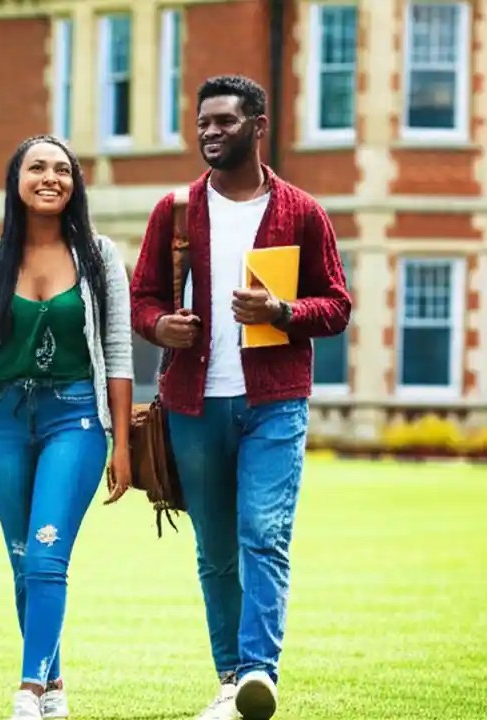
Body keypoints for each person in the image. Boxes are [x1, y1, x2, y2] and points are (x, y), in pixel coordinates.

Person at [130, 75, 351, 720]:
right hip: (194, 404)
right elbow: (144, 297)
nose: (210, 133)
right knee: (215, 548)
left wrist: (281, 310)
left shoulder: (302, 212)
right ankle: (229, 679)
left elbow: (336, 306)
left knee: (264, 532)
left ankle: (259, 672)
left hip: (275, 401)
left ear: (257, 124)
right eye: (203, 123)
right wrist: (159, 325)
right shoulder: (174, 210)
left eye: (224, 122)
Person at [0, 135, 134, 720]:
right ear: (16, 181)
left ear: (75, 183)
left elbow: (120, 353)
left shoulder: (100, 257)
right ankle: (53, 685)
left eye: (62, 169)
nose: (49, 178)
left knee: (48, 555)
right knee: (21, 555)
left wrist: (122, 443)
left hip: (75, 417)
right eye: (36, 168)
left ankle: (28, 691)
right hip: (1, 421)